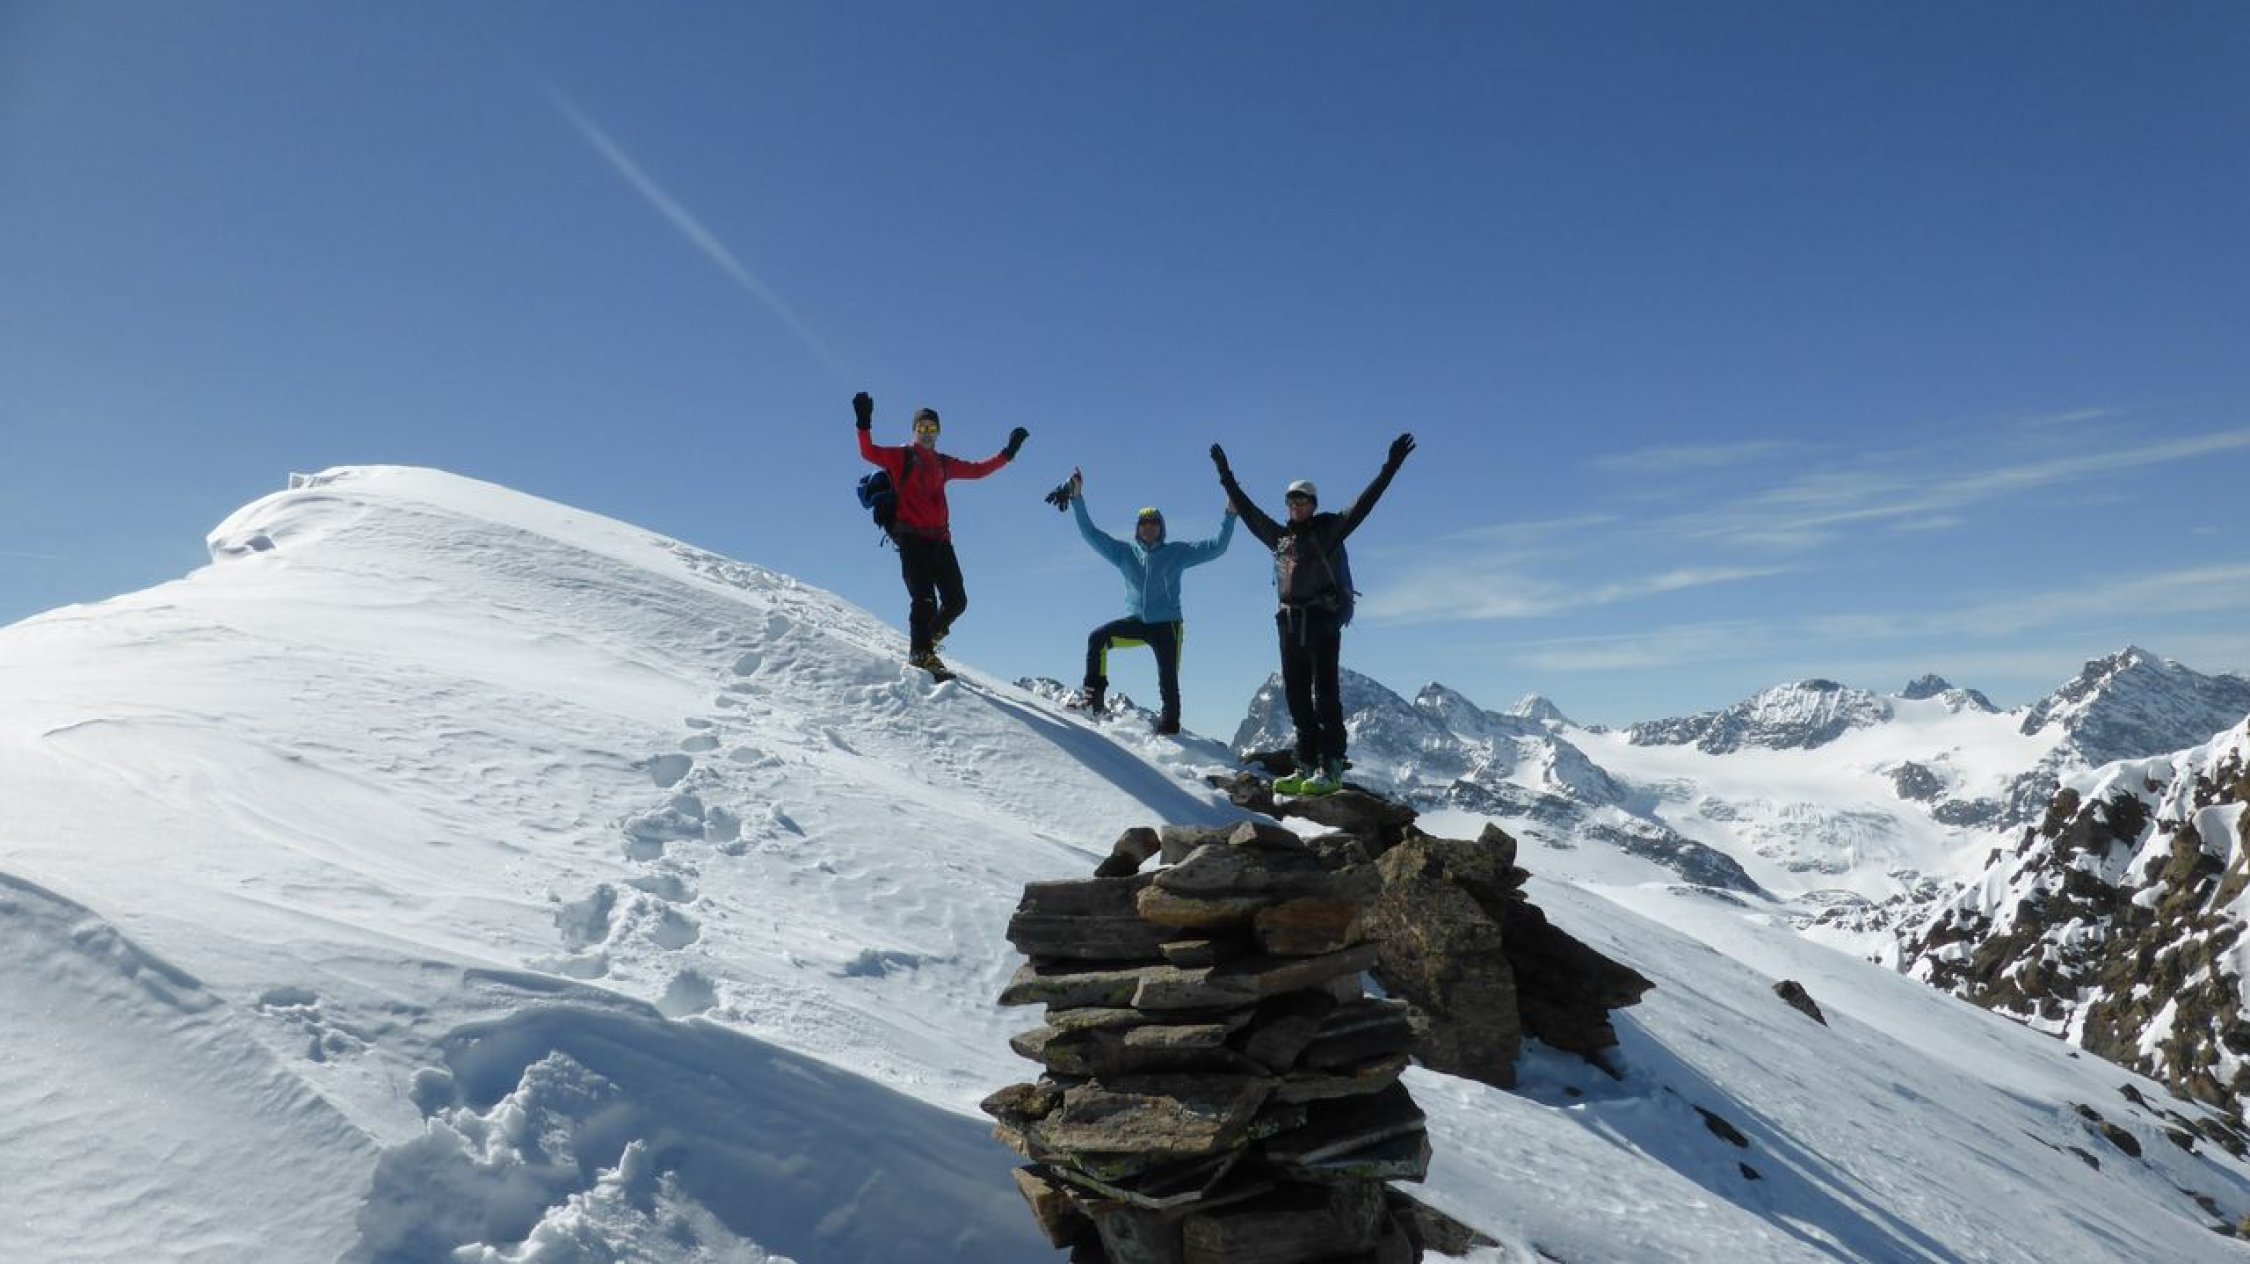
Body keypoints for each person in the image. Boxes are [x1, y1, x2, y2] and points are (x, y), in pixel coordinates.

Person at [1210, 433, 1415, 794]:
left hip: (1321, 618)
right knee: (1296, 696)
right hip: (1288, 621)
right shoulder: (1280, 539)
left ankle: (1331, 765)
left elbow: (1364, 504)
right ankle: (1305, 765)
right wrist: (1225, 475)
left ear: (1313, 503)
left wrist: (1391, 467)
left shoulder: (1329, 530)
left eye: (1302, 500)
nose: (1295, 505)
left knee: (1326, 695)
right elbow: (1249, 512)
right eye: (1291, 500)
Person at [854, 390, 1026, 678]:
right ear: (914, 430)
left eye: (932, 428)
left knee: (957, 600)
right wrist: (863, 423)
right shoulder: (901, 457)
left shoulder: (944, 463)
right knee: (923, 599)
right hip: (911, 539)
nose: (927, 432)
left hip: (940, 541)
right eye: (922, 427)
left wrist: (1007, 454)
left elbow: (978, 470)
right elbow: (868, 453)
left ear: (939, 431)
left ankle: (929, 638)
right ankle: (920, 653)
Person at [1058, 470, 1236, 735]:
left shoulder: (1177, 552)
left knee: (1168, 679)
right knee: (1098, 639)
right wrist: (1077, 498)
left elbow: (1217, 547)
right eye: (1144, 523)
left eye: (1154, 523)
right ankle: (1092, 702)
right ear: (1138, 529)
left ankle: (1170, 727)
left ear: (1161, 528)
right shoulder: (1125, 553)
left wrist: (1230, 514)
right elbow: (1091, 535)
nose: (1149, 527)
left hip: (1168, 626)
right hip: (1137, 623)